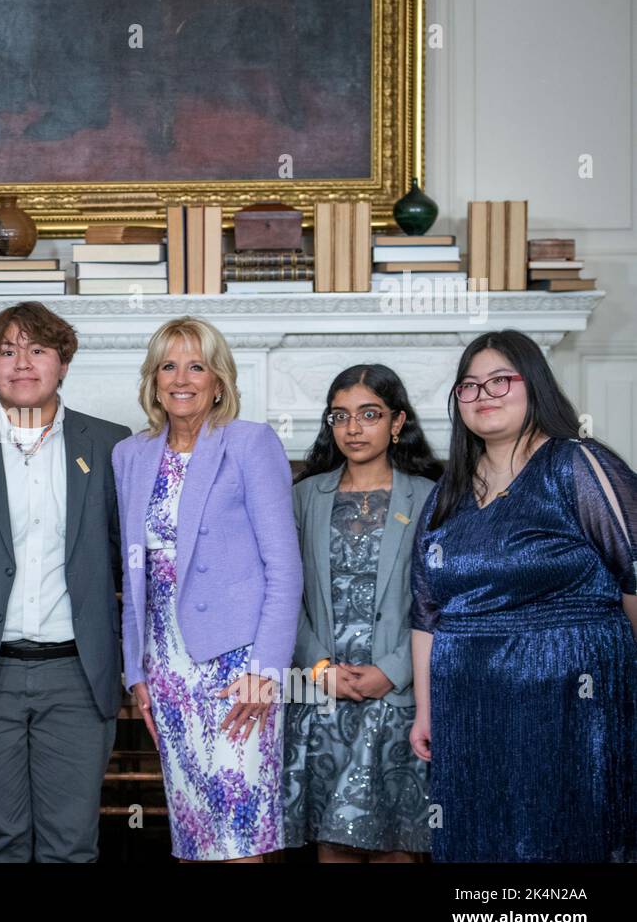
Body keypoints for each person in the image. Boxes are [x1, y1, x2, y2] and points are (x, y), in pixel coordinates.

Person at [410, 329, 637, 862]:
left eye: (499, 380)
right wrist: (427, 711)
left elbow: (634, 574)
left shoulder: (577, 464)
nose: (484, 394)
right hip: (470, 710)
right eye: (469, 386)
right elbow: (427, 613)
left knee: (565, 844)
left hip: (573, 703)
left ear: (533, 385)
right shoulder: (447, 492)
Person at [0, 302, 131, 862]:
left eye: (38, 349)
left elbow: (132, 560)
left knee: (71, 846)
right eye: (6, 351)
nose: (22, 363)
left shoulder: (111, 444)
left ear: (63, 363)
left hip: (76, 676)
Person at [112, 316, 301, 862]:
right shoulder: (131, 456)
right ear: (153, 380)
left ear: (219, 380)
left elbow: (284, 569)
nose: (181, 378)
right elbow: (134, 573)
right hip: (167, 666)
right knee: (197, 831)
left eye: (197, 365)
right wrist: (137, 671)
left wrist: (265, 673)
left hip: (237, 667)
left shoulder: (250, 443)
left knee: (239, 828)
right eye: (168, 365)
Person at [283, 364, 442, 862]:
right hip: (323, 697)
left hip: (399, 697)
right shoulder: (305, 495)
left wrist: (391, 672)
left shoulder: (433, 496)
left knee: (399, 844)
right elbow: (285, 592)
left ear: (397, 422)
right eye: (341, 416)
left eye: (369, 414)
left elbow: (440, 597)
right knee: (334, 842)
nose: (353, 428)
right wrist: (319, 667)